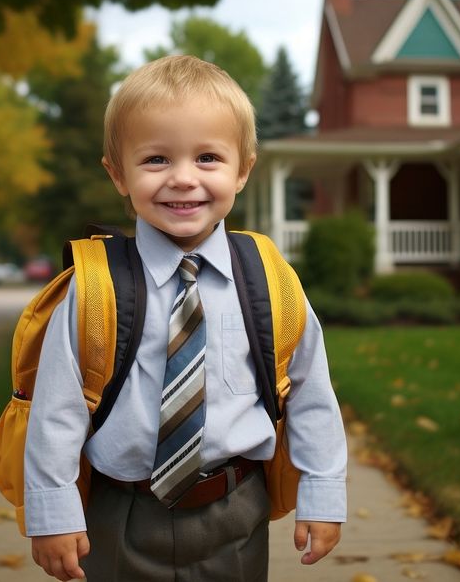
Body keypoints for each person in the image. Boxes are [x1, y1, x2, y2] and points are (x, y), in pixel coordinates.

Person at [24, 54, 347, 581]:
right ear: (117, 173)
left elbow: (311, 392)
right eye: (155, 160)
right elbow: (57, 408)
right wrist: (52, 510)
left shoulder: (269, 280)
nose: (182, 178)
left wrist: (324, 491)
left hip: (236, 508)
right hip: (121, 512)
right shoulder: (96, 287)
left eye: (207, 158)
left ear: (243, 169)